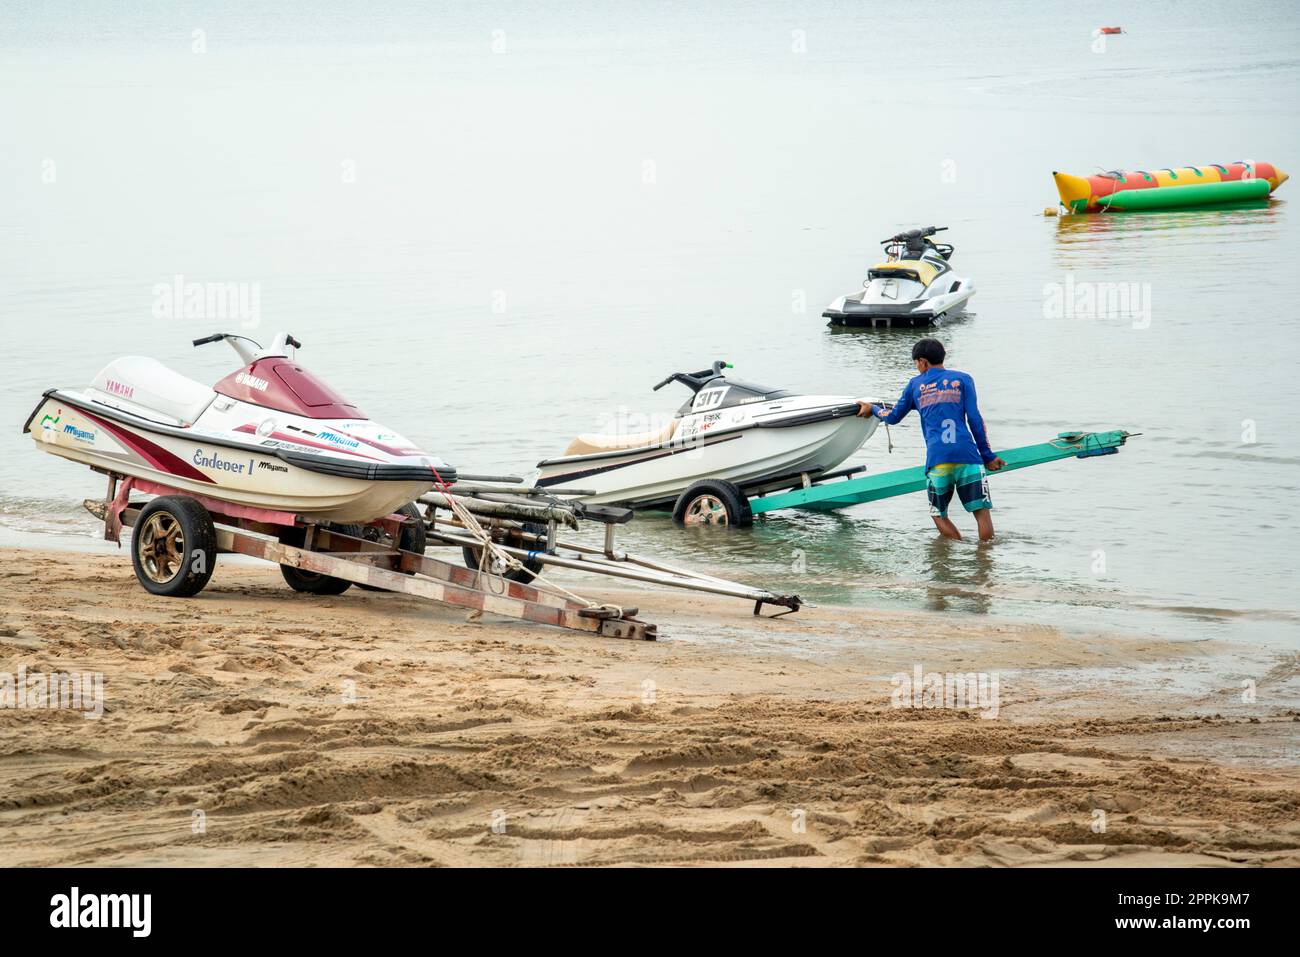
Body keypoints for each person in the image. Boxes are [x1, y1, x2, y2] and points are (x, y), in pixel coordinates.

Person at [856, 338, 1006, 541]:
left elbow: (892, 417)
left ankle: (955, 553)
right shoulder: (963, 379)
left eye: (916, 363)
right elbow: (975, 419)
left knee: (939, 515)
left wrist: (872, 408)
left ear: (922, 362)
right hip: (968, 458)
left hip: (938, 461)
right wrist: (987, 455)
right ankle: (983, 563)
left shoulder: (915, 385)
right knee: (982, 514)